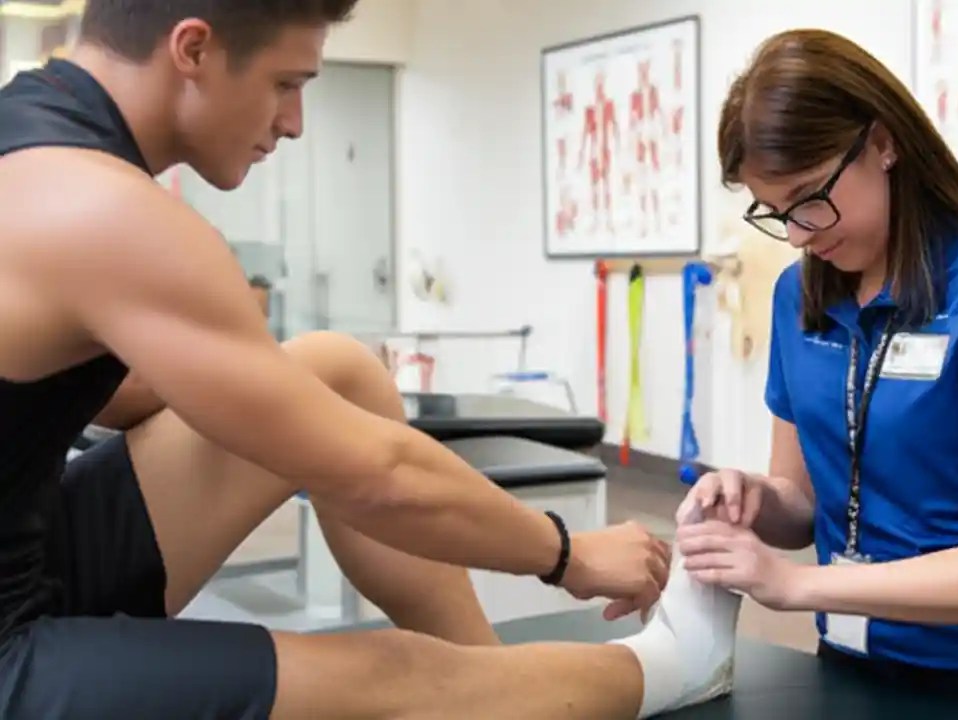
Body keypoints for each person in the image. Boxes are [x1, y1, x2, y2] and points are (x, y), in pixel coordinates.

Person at [0, 1, 740, 718]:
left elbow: (104, 395)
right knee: (389, 672)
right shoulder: (104, 209)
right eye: (286, 84)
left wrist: (226, 373)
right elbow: (376, 477)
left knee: (333, 369)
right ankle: (682, 664)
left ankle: (485, 677)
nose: (293, 123)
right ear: (192, 49)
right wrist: (565, 550)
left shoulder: (29, 137)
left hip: (31, 548)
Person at [676, 28, 958, 719]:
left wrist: (797, 587)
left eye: (808, 197)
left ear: (883, 143)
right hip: (856, 669)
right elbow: (802, 501)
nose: (797, 234)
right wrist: (753, 500)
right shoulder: (799, 296)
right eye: (776, 211)